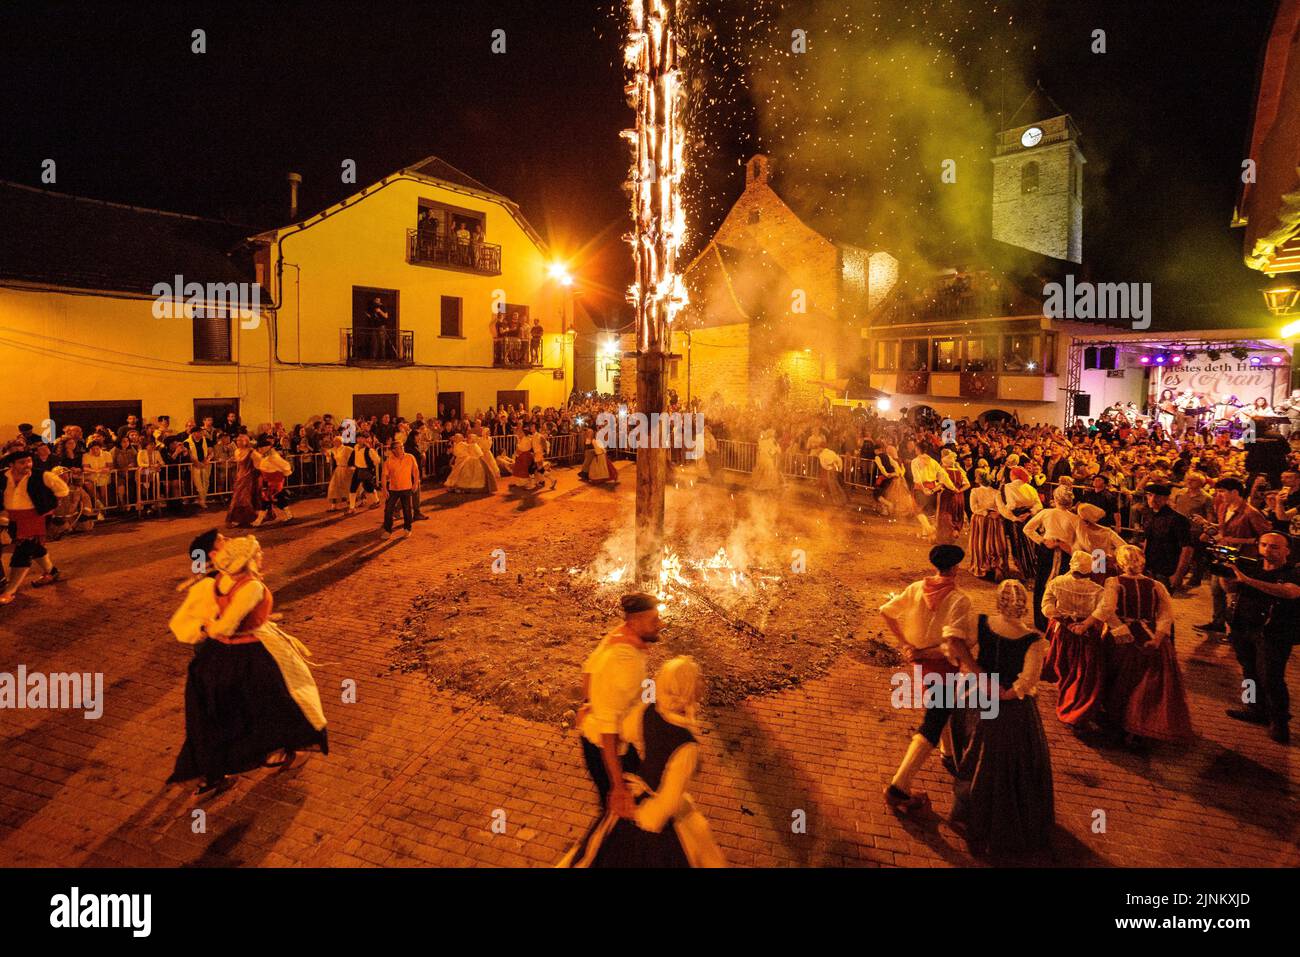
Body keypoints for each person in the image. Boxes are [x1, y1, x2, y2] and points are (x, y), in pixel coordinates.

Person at [168, 535, 328, 796]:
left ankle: (213, 771)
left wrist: (206, 630)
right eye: (221, 541)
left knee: (215, 714)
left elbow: (191, 623)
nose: (227, 540)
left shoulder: (217, 580)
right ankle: (275, 748)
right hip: (246, 655)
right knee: (281, 701)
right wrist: (212, 628)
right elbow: (224, 624)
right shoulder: (245, 585)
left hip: (216, 656)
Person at [561, 656, 726, 868]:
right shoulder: (687, 746)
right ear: (691, 693)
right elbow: (664, 807)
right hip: (652, 824)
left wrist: (593, 716)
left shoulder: (648, 711)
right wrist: (635, 814)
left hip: (636, 796)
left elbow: (621, 732)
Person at [947, 580, 1053, 858]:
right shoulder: (1034, 640)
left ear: (998, 601)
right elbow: (1028, 680)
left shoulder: (981, 623)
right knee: (1013, 765)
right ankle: (1007, 821)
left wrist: (977, 673)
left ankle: (969, 809)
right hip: (1012, 711)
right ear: (1024, 606)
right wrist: (1005, 694)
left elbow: (957, 644)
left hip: (978, 699)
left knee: (974, 756)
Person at [880, 544, 975, 816]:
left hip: (923, 665)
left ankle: (947, 753)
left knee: (939, 708)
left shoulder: (915, 588)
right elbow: (954, 644)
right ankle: (899, 787)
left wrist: (907, 644)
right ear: (956, 568)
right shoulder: (960, 600)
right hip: (942, 666)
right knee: (932, 722)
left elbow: (885, 611)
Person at [1086, 545, 1194, 747]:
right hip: (1149, 637)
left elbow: (1108, 609)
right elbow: (1166, 615)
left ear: (1120, 563)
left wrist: (1119, 630)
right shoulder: (1157, 585)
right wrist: (1158, 638)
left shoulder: (1114, 582)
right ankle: (1139, 724)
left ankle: (1118, 720)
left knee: (1117, 679)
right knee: (1145, 684)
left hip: (1124, 639)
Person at [576, 592, 661, 816]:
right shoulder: (624, 663)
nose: (660, 624)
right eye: (654, 620)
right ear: (635, 622)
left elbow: (588, 669)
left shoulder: (619, 636)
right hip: (607, 749)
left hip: (608, 741)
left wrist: (590, 703)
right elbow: (608, 731)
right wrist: (617, 785)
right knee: (622, 809)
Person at [1225, 531, 1300, 744]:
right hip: (1243, 628)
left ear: (1287, 550)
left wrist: (1248, 581)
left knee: (1271, 677)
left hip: (1273, 633)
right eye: (1264, 545)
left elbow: (1290, 592)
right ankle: (1253, 707)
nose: (1268, 550)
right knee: (1248, 671)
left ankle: (1279, 721)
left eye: (1274, 546)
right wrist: (1226, 575)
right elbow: (1230, 589)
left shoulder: (1293, 572)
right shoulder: (1250, 565)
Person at [1195, 477, 1273, 636]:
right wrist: (1208, 526)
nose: (1219, 495)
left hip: (1241, 558)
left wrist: (1235, 540)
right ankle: (1218, 622)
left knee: (1233, 594)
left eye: (1222, 491)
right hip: (1224, 554)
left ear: (1235, 492)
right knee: (1216, 589)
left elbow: (1265, 538)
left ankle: (1234, 631)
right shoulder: (1224, 507)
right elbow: (1224, 528)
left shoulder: (1251, 513)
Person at [1041, 551, 1106, 723]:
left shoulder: (1057, 583)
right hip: (1086, 634)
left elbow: (1046, 607)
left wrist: (1064, 620)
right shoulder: (1098, 590)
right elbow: (1103, 613)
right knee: (1081, 670)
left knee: (1063, 663)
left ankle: (1065, 695)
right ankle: (1073, 701)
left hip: (1064, 631)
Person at [0, 448, 70, 605]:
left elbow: (63, 490)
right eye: (22, 462)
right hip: (11, 520)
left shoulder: (42, 475)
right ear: (12, 464)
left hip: (34, 519)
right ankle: (51, 572)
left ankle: (9, 591)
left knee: (23, 552)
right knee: (35, 548)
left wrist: (48, 505)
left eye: (29, 461)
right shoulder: (3, 477)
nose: (27, 465)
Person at [1023, 486, 1079, 630]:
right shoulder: (1074, 518)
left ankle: (1043, 620)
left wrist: (1042, 541)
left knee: (1044, 582)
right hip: (1061, 552)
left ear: (1055, 499)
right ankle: (1053, 622)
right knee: (1057, 584)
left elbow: (1027, 529)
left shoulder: (1047, 513)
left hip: (1050, 550)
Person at [1140, 482, 1194, 593]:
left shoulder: (1177, 519)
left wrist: (1178, 574)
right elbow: (1147, 539)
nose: (1153, 499)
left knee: (1163, 606)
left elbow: (1187, 548)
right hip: (1149, 566)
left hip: (1167, 569)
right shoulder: (1148, 514)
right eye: (1150, 495)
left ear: (1166, 499)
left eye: (1158, 496)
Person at [998, 466, 1042, 582]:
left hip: (1016, 520)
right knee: (1032, 544)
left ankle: (1024, 572)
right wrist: (1029, 513)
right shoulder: (1031, 488)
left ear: (1013, 475)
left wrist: (1013, 517)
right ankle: (1034, 570)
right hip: (1030, 518)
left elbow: (1009, 506)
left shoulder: (1007, 487)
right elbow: (1038, 505)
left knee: (1018, 545)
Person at [967, 470, 1009, 581]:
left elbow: (973, 508)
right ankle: (997, 566)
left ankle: (982, 566)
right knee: (995, 543)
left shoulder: (975, 491)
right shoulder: (996, 492)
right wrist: (998, 513)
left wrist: (986, 512)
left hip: (980, 520)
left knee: (979, 543)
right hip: (994, 520)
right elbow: (1001, 507)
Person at [381, 437, 421, 536]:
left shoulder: (410, 457)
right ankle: (387, 530)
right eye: (399, 447)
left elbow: (415, 471)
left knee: (407, 509)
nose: (402, 449)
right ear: (393, 450)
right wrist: (384, 490)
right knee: (388, 510)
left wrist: (415, 483)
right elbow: (384, 476)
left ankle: (407, 528)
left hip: (406, 488)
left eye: (402, 447)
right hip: (393, 489)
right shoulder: (389, 461)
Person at [251, 435, 294, 526]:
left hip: (275, 482)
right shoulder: (266, 456)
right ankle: (289, 514)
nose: (259, 449)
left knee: (266, 500)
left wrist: (285, 474)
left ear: (267, 447)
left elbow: (285, 465)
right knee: (278, 499)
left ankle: (258, 520)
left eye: (261, 448)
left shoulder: (273, 457)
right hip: (269, 481)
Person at [935, 448, 970, 545]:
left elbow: (943, 484)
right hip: (959, 496)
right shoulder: (959, 471)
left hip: (947, 495)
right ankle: (956, 530)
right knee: (957, 514)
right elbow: (967, 484)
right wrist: (959, 491)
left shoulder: (944, 471)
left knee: (945, 514)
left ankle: (945, 537)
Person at [225, 433, 260, 527]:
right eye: (237, 440)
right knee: (237, 497)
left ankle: (243, 518)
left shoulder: (252, 452)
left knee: (244, 497)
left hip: (249, 477)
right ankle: (238, 518)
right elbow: (238, 461)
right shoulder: (237, 451)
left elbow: (259, 463)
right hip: (240, 476)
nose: (238, 442)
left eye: (241, 440)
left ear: (246, 441)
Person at [873, 444, 915, 519]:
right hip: (898, 479)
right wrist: (898, 474)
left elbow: (883, 468)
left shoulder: (887, 458)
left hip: (893, 479)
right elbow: (902, 470)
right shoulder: (896, 459)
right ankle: (886, 510)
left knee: (883, 494)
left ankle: (891, 509)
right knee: (892, 495)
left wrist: (889, 474)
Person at [347, 435, 383, 513]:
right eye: (358, 438)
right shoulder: (356, 447)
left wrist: (370, 467)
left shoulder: (369, 450)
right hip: (357, 470)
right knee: (353, 487)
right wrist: (351, 465)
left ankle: (377, 501)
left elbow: (377, 460)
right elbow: (353, 456)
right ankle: (352, 507)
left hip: (366, 471)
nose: (360, 440)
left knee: (369, 487)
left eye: (362, 438)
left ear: (365, 440)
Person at [185, 425, 212, 508]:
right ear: (193, 433)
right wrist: (197, 462)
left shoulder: (206, 440)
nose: (201, 434)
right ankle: (201, 500)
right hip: (195, 465)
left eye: (201, 432)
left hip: (205, 464)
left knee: (206, 482)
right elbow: (189, 454)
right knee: (198, 483)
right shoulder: (187, 442)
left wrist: (207, 459)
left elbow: (211, 451)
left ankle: (203, 499)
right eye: (198, 432)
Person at [325, 436, 354, 511]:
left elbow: (355, 455)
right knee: (333, 487)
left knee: (347, 487)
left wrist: (353, 466)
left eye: (336, 441)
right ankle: (333, 506)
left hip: (347, 469)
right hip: (338, 469)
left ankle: (350, 504)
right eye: (334, 441)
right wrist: (327, 455)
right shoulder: (333, 450)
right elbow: (328, 453)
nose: (334, 443)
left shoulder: (347, 449)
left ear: (340, 442)